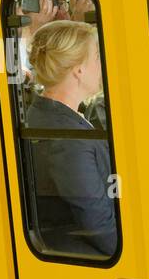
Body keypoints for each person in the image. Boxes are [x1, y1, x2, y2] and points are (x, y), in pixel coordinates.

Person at [24, 20, 118, 256]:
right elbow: (99, 226)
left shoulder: (43, 113)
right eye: (97, 56)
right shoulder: (70, 139)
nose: (102, 64)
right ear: (78, 69)